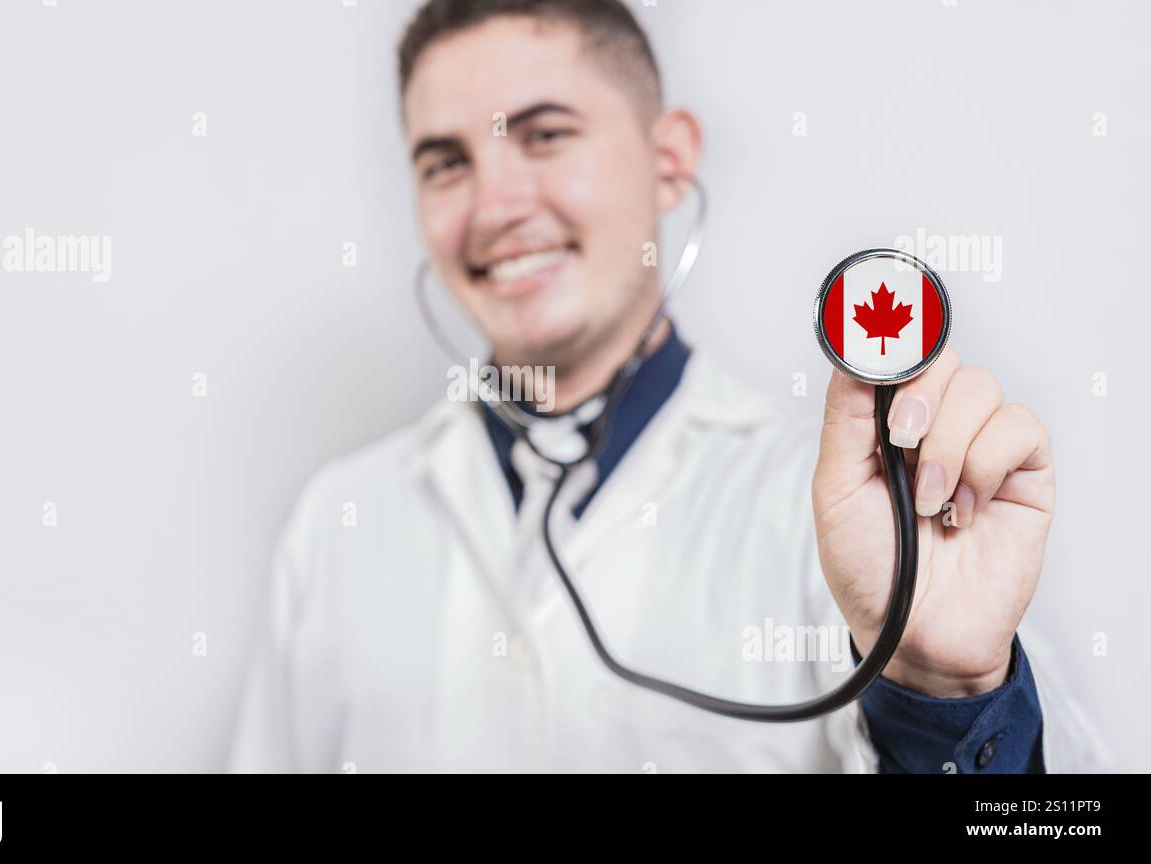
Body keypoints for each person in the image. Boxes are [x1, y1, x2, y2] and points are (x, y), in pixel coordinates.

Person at [231, 0, 1107, 772]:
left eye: (543, 135)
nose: (494, 205)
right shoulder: (339, 522)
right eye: (445, 163)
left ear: (669, 159)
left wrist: (942, 692)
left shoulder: (866, 511)